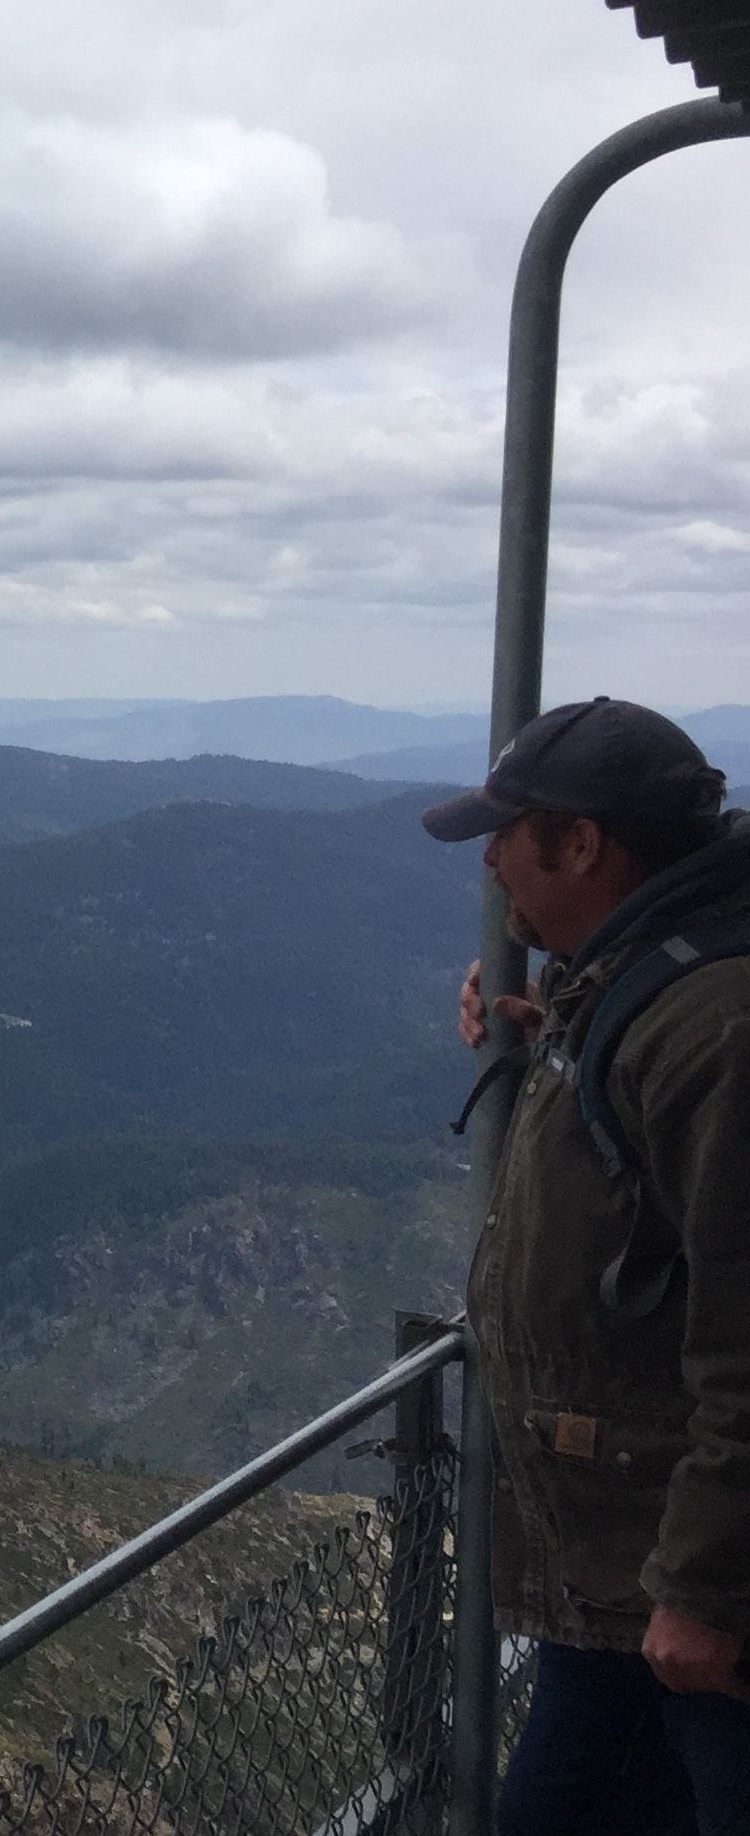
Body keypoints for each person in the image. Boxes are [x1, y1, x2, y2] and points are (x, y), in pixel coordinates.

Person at [430, 696, 750, 1833]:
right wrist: (555, 1018)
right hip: (632, 1572)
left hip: (694, 1595)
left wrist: (707, 1590)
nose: (491, 863)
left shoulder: (718, 1027)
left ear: (582, 845)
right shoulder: (663, 967)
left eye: (506, 835)